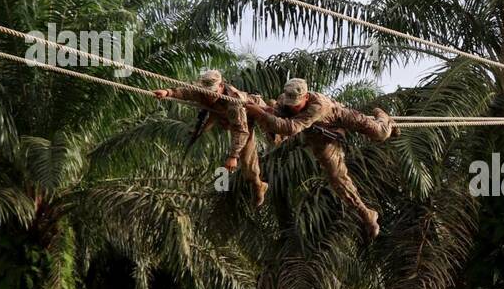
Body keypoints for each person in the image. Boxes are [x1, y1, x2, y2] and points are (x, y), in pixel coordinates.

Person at [245, 78, 395, 239]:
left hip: (338, 118)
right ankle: (366, 213)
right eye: (290, 103)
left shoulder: (318, 105)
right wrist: (264, 112)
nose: (292, 106)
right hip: (319, 136)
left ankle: (384, 118)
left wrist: (261, 113)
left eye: (296, 104)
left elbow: (291, 128)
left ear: (306, 97)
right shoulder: (284, 101)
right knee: (337, 178)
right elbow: (280, 120)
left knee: (381, 133)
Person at [153, 69, 268, 206]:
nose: (209, 95)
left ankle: (258, 185)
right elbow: (186, 92)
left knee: (248, 161)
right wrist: (167, 92)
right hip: (222, 114)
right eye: (206, 92)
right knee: (199, 128)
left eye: (212, 92)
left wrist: (233, 156)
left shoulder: (234, 100)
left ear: (221, 86)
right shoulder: (202, 91)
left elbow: (241, 131)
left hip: (248, 116)